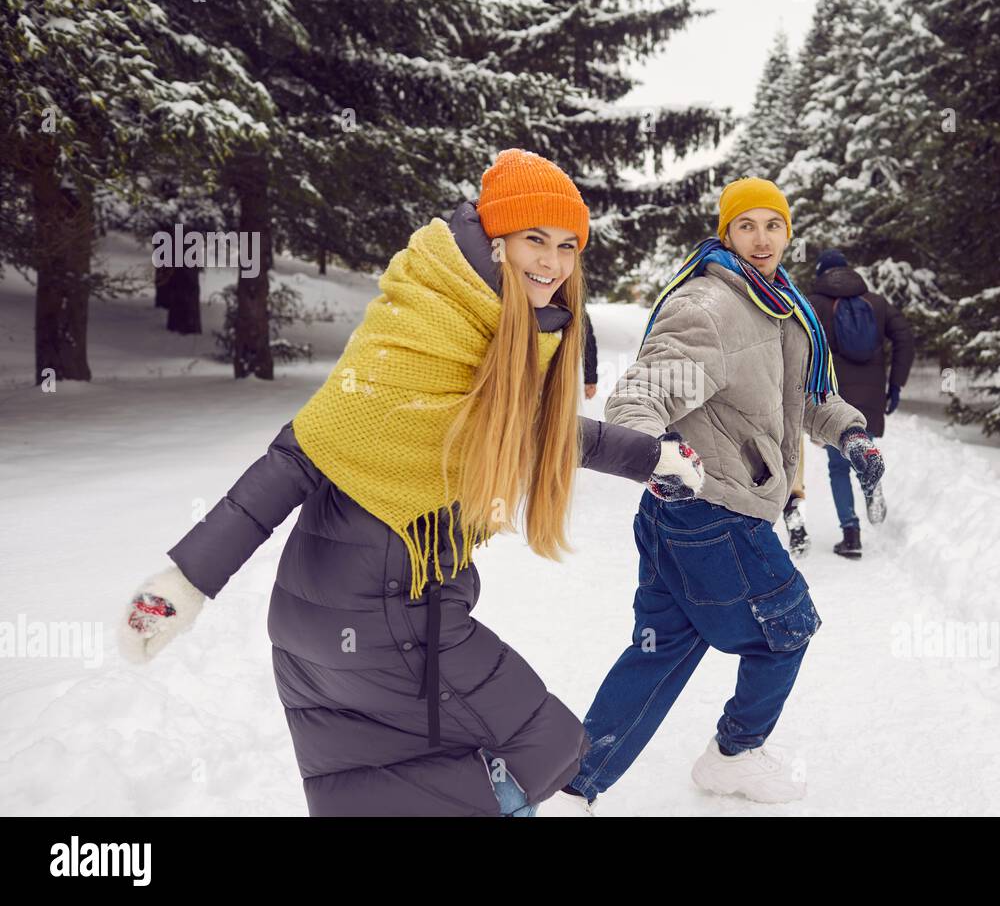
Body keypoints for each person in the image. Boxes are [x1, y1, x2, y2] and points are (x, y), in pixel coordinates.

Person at [118, 149, 705, 816]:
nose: (553, 262)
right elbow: (294, 458)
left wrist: (649, 459)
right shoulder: (420, 334)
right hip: (381, 615)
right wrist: (184, 582)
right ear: (495, 243)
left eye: (569, 246)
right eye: (534, 240)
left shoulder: (494, 332)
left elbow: (544, 432)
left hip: (353, 610)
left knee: (385, 778)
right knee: (540, 750)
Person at [541, 178, 884, 813]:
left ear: (788, 233)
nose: (761, 238)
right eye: (745, 225)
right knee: (787, 629)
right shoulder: (710, 307)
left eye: (772, 225)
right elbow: (637, 395)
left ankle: (573, 788)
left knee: (660, 649)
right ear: (725, 234)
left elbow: (803, 398)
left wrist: (850, 432)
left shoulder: (782, 307)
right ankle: (734, 755)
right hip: (715, 510)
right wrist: (655, 454)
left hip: (688, 514)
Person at [807, 249, 915, 558]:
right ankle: (871, 481)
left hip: (833, 396)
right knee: (861, 447)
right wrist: (895, 384)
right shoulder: (877, 303)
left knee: (837, 465)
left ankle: (851, 534)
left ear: (820, 274)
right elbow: (905, 338)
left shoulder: (814, 304)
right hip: (870, 394)